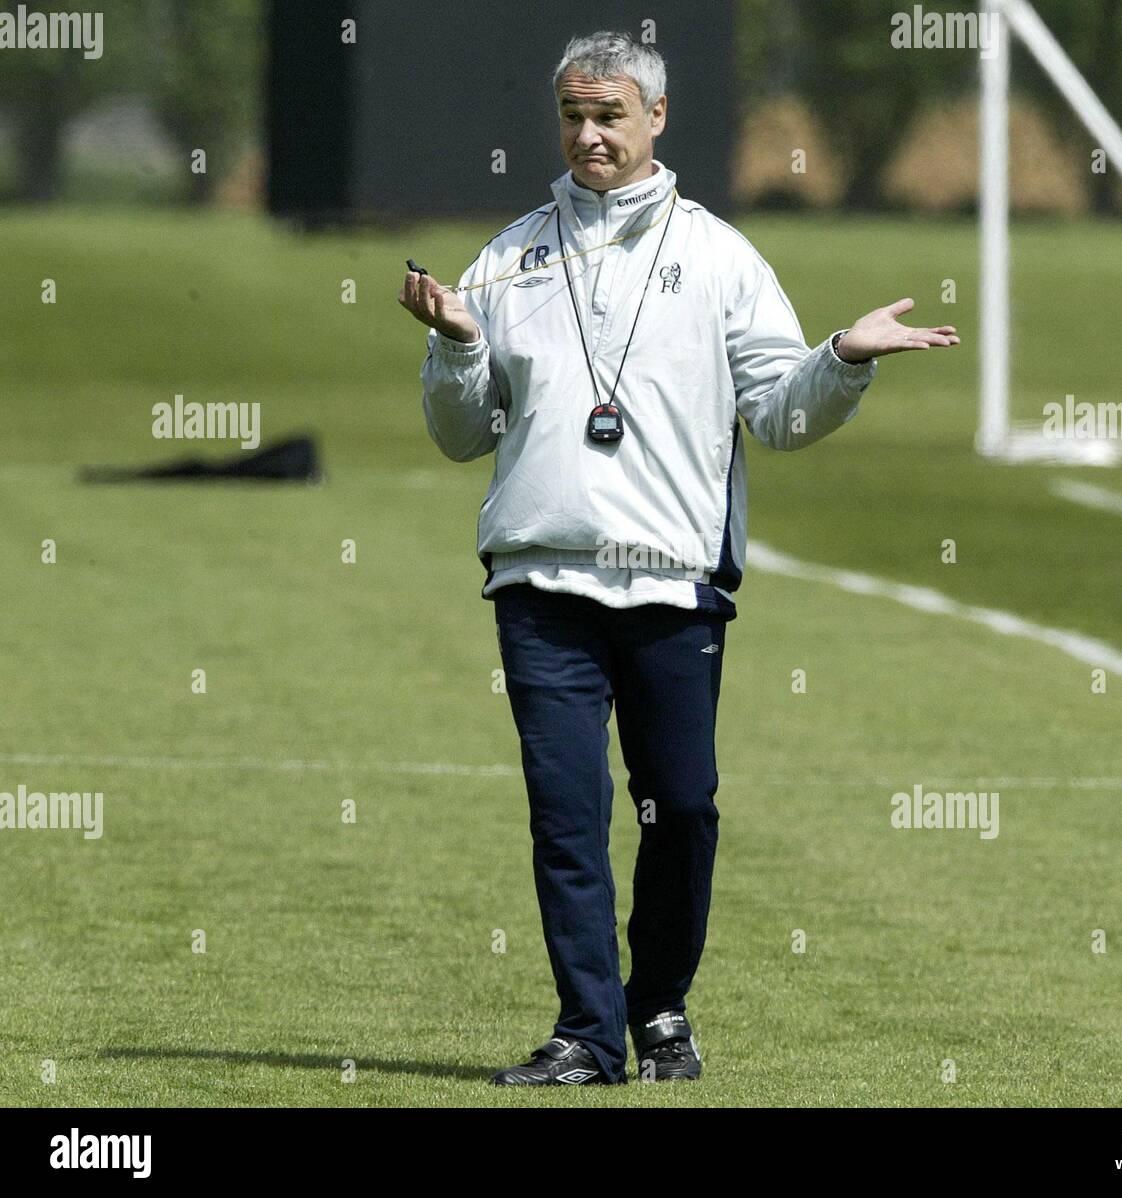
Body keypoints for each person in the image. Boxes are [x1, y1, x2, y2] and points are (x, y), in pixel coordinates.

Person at [399, 30, 959, 1087]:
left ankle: (657, 1009)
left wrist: (839, 359)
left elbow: (781, 416)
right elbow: (459, 434)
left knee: (683, 807)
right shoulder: (510, 254)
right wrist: (458, 345)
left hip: (672, 581)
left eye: (608, 115)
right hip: (540, 580)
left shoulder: (719, 258)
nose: (587, 135)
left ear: (657, 117)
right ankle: (584, 1031)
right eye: (572, 115)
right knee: (567, 817)